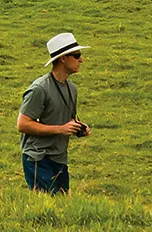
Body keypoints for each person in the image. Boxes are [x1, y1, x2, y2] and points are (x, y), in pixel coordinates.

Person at [17, 32, 91, 195]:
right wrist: (61, 129)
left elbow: (64, 121)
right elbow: (22, 124)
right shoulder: (39, 89)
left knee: (62, 204)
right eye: (77, 55)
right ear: (63, 58)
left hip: (59, 158)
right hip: (38, 158)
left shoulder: (72, 88)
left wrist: (78, 128)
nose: (81, 60)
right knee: (48, 204)